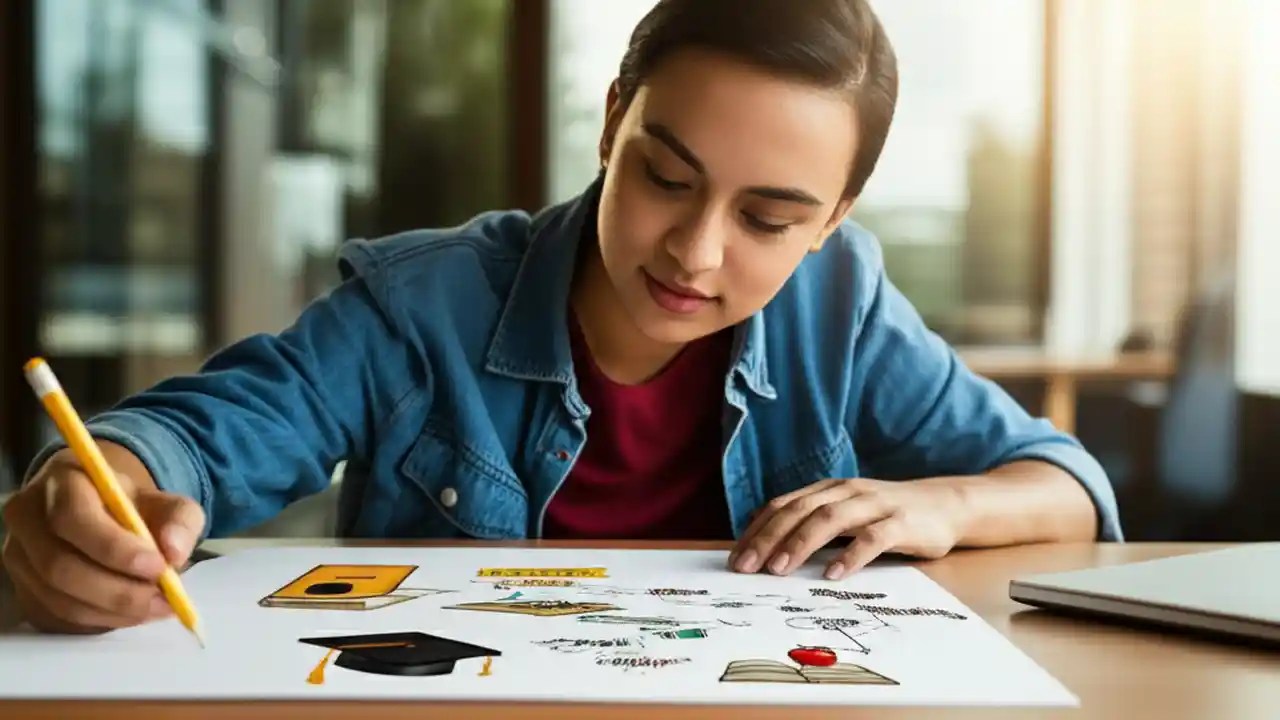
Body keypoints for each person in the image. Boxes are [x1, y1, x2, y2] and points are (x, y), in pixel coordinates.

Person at [1, 0, 1120, 635]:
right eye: (665, 178)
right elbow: (196, 437)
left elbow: (1067, 487)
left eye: (769, 219)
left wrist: (942, 502)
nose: (694, 252)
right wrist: (97, 487)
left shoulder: (844, 307)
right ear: (611, 122)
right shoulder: (425, 303)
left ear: (833, 218)